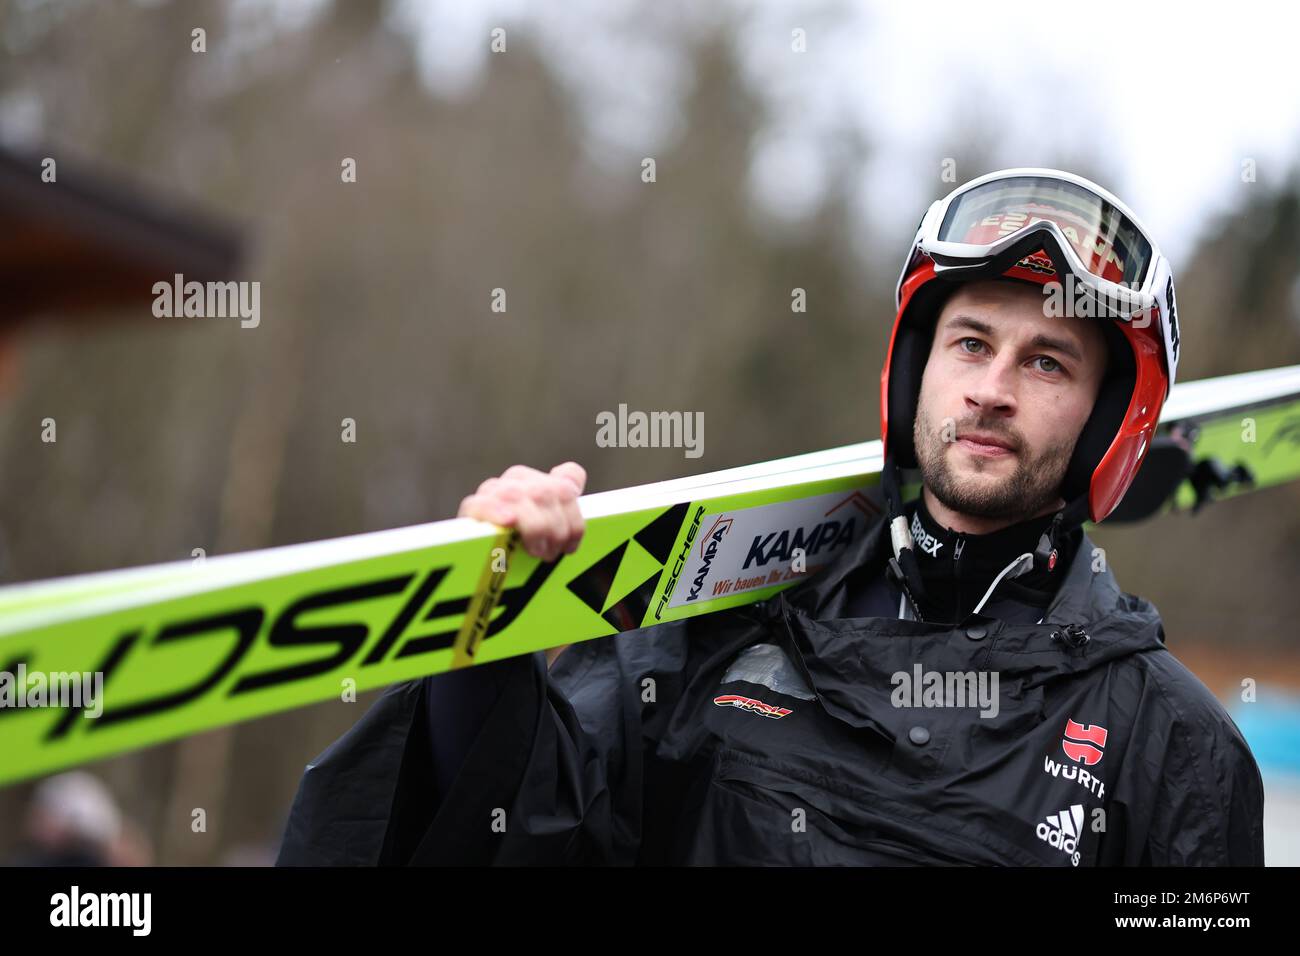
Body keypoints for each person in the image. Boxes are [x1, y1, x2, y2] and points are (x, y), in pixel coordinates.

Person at [276, 169, 1264, 866]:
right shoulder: (723, 624)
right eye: (969, 342)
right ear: (917, 367)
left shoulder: (1168, 745)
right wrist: (491, 637)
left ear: (1110, 419)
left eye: (1045, 360)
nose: (990, 389)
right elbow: (523, 828)